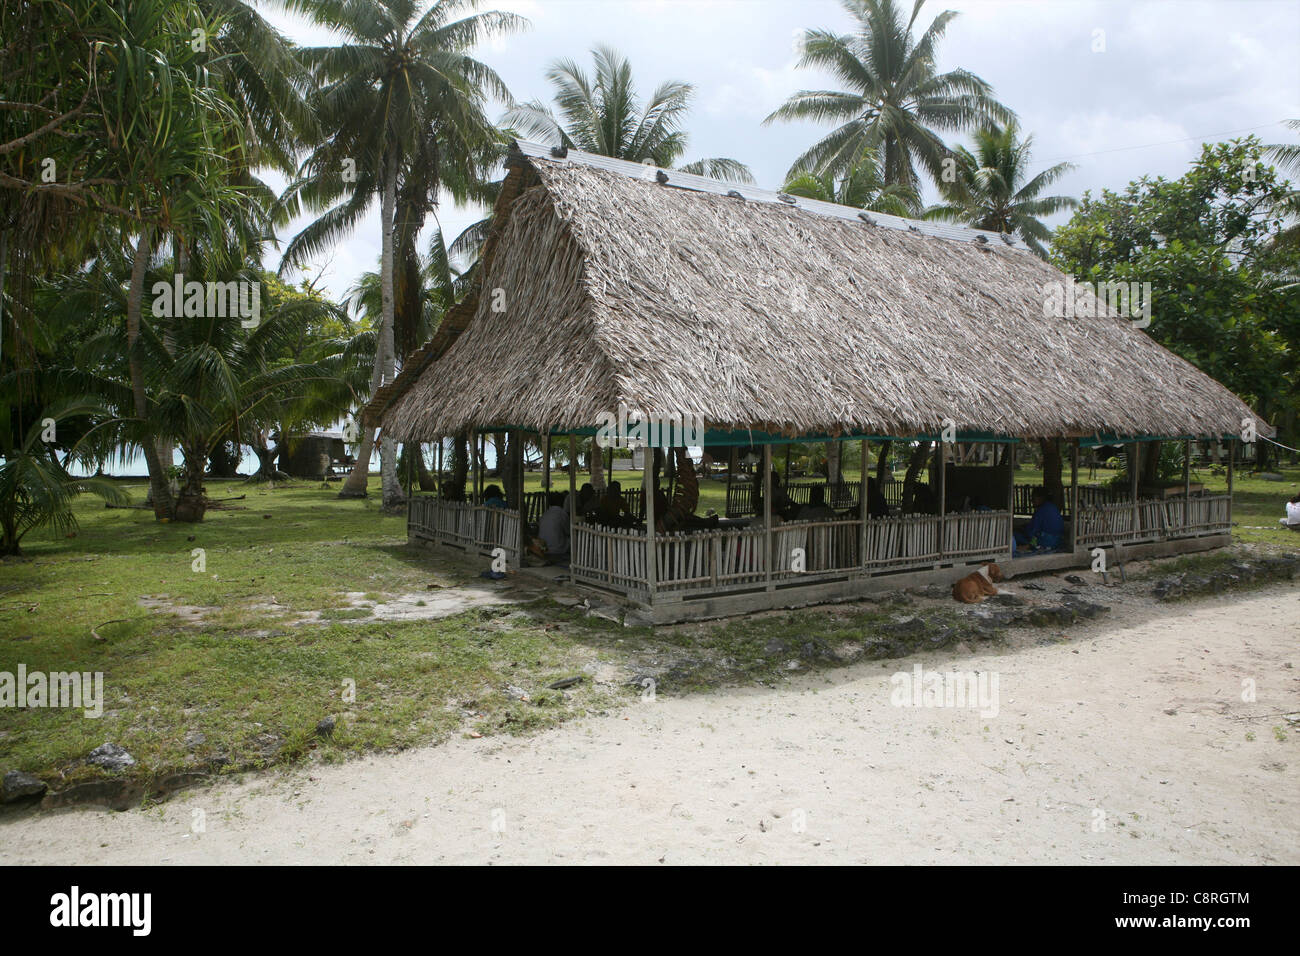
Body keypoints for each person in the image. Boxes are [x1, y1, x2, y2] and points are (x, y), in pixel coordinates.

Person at [1016, 486, 1064, 551]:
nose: (1032, 500)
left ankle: (1030, 546)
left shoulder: (1041, 510)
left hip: (1045, 541)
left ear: (1042, 498)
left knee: (1016, 536)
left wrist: (1023, 529)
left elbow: (1033, 531)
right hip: (1058, 541)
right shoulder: (1053, 507)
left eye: (1033, 497)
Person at [536, 491, 570, 561]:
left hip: (544, 548)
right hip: (558, 549)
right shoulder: (562, 513)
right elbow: (568, 531)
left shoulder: (545, 513)